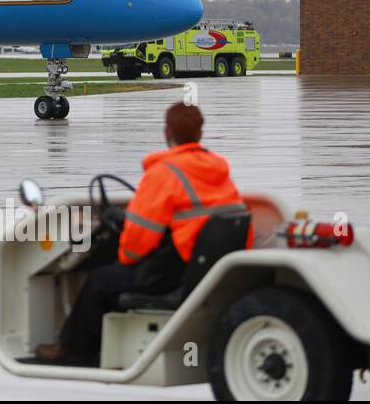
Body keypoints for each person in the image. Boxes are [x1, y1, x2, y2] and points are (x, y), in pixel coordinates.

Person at [35, 102, 251, 364]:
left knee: (99, 281)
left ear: (166, 133)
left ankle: (75, 351)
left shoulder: (164, 174)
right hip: (203, 268)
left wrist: (123, 253)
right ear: (200, 133)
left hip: (172, 275)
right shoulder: (218, 172)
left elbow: (136, 243)